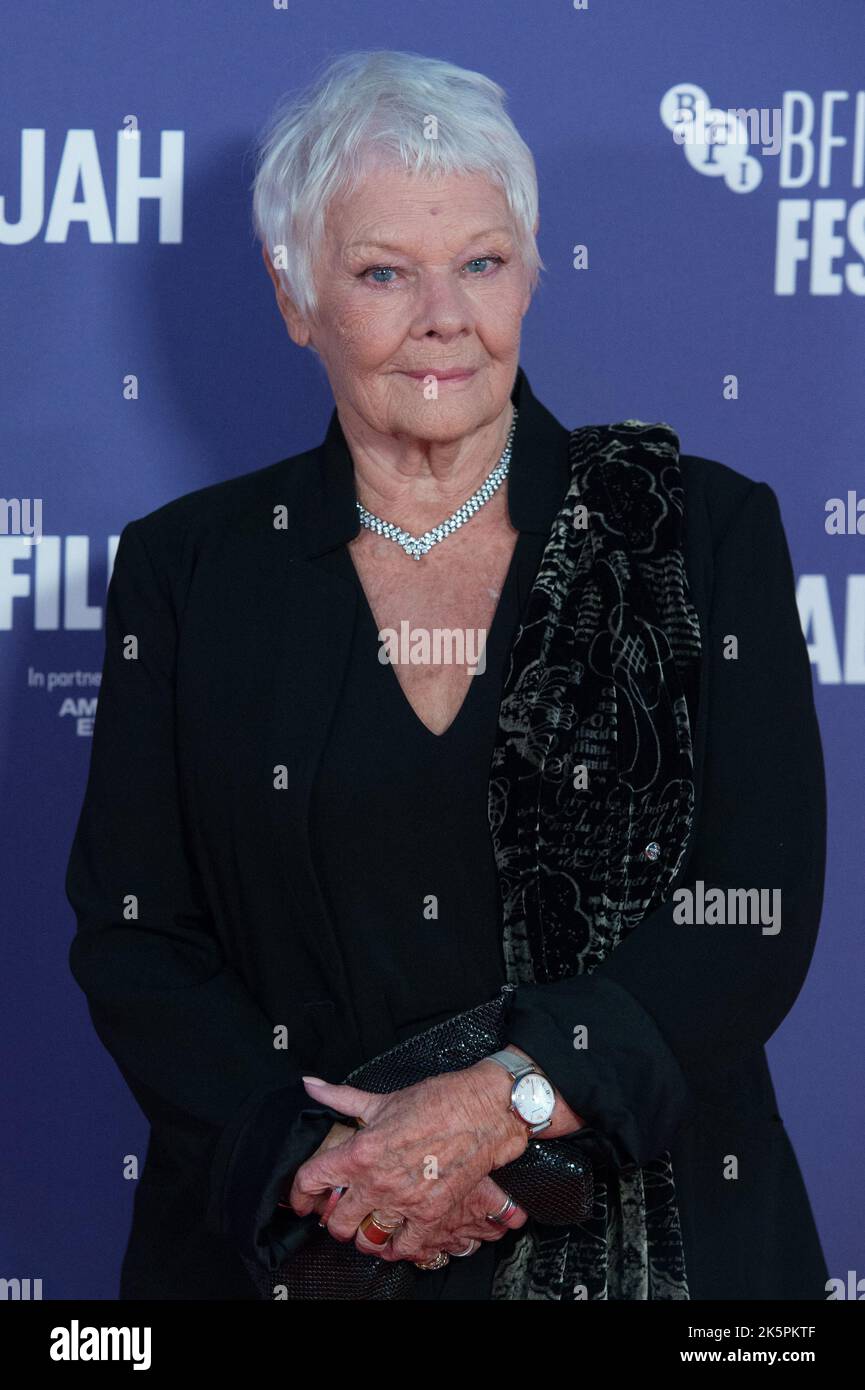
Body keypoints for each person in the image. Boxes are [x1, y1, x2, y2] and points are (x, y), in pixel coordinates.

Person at [66, 49, 828, 1301]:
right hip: (309, 1247)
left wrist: (511, 1099)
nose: (443, 316)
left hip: (659, 1242)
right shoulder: (188, 571)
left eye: (480, 261)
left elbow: (747, 906)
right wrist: (330, 1172)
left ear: (531, 268)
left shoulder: (698, 533)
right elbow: (138, 936)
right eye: (381, 273)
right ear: (292, 293)